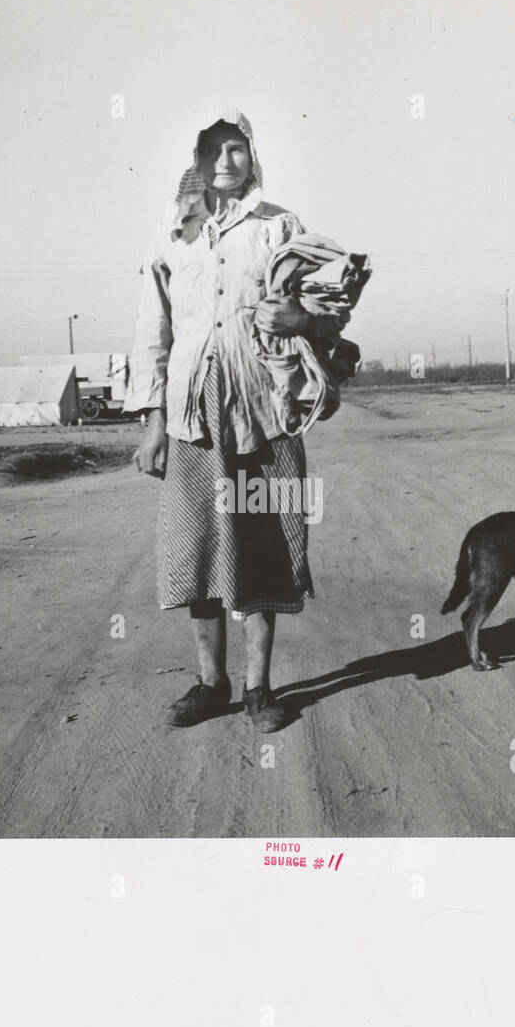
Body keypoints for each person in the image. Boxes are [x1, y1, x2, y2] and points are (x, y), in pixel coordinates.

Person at [124, 108, 351, 733]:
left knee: (262, 544)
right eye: (213, 149)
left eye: (238, 149)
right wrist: (152, 425)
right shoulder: (173, 235)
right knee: (197, 548)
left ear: (254, 156)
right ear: (195, 158)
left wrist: (301, 323)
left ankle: (259, 690)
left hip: (265, 413)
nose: (226, 161)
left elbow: (332, 311)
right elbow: (153, 331)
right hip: (192, 417)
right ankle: (210, 685)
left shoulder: (281, 228)